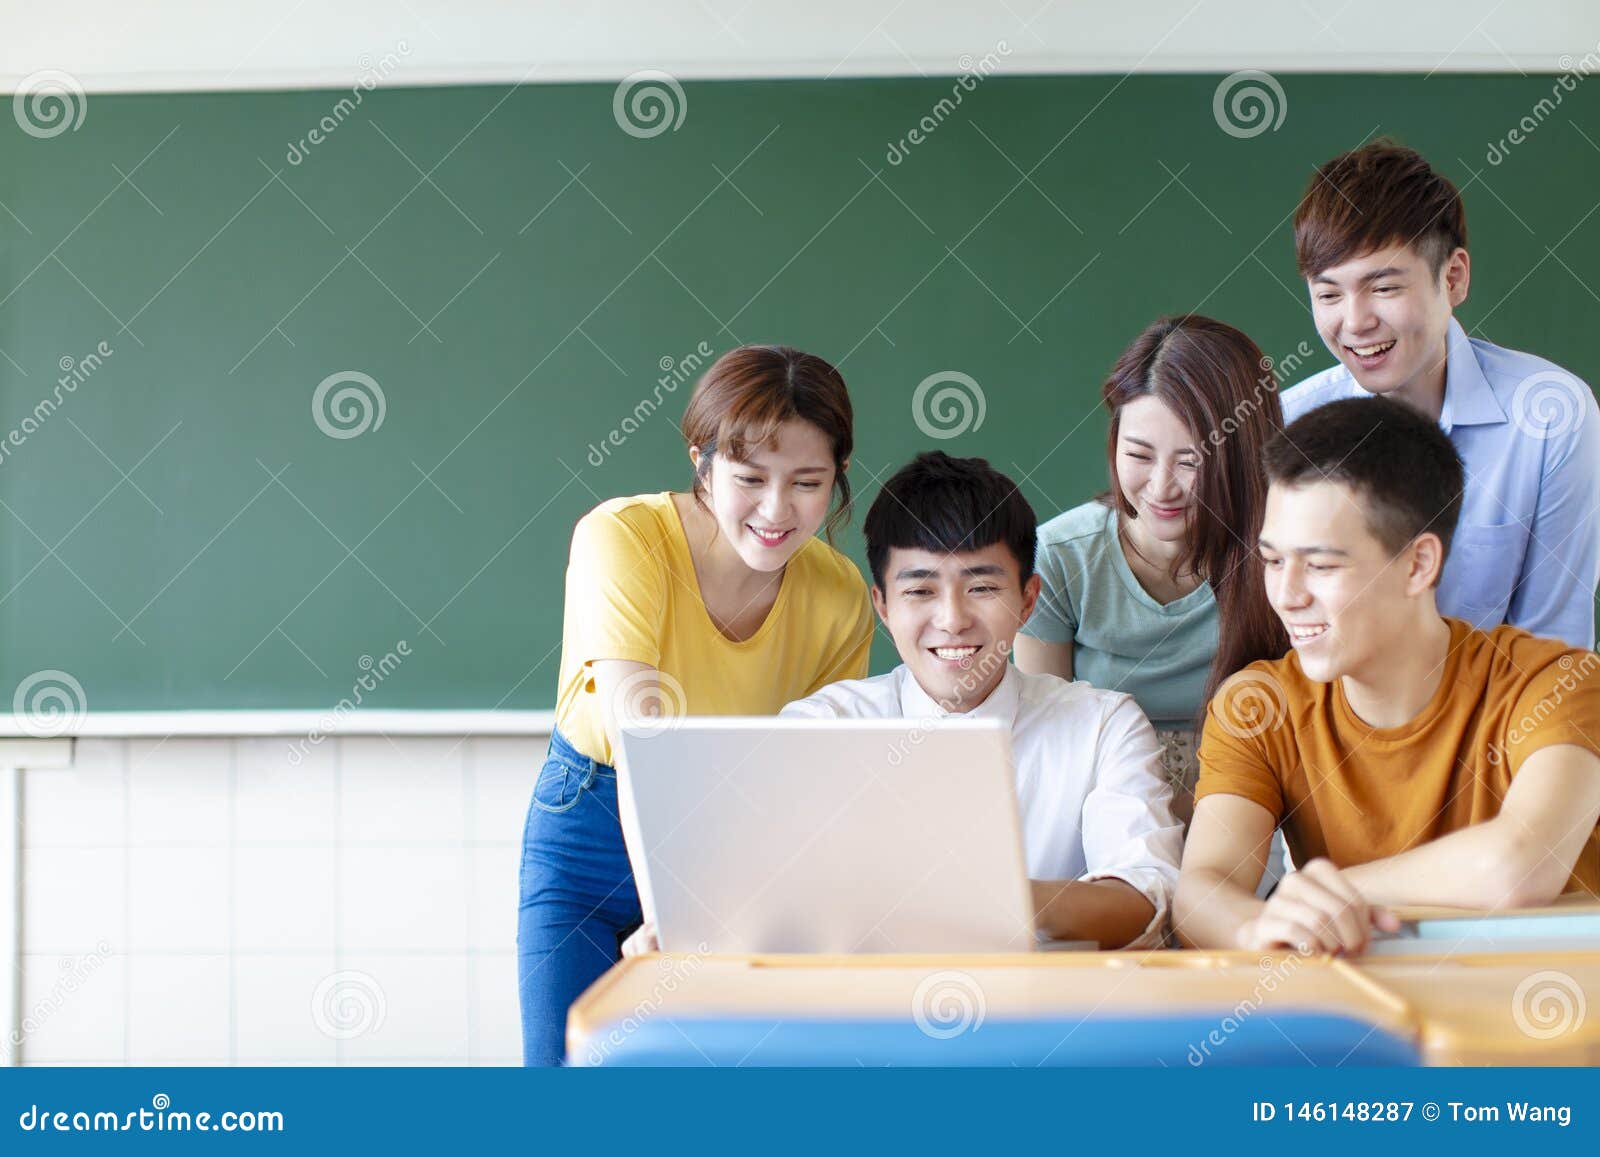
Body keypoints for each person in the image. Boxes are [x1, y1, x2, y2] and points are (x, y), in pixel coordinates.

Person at [518, 345, 874, 1065]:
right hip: (595, 821)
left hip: (735, 837)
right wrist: (669, 913)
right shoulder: (623, 538)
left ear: (838, 475)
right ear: (700, 459)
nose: (778, 511)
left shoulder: (839, 595)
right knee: (563, 1085)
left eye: (808, 482)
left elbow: (806, 779)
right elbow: (641, 737)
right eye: (750, 478)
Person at [1174, 397, 1600, 954]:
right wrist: (1257, 927)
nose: (1287, 595)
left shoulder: (1557, 683)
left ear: (1419, 564)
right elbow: (1202, 892)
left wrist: (1313, 893)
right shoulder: (1258, 704)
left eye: (1322, 565)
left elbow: (1519, 865)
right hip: (1370, 1022)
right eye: (1274, 561)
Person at [783, 451, 1184, 949]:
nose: (952, 619)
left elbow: (1146, 898)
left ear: (1028, 599)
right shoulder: (821, 728)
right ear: (882, 606)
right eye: (920, 591)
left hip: (1046, 1015)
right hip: (867, 1011)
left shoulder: (1102, 725)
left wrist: (996, 894)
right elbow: (764, 896)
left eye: (981, 586)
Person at [1281, 139, 1600, 649]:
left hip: (1497, 725)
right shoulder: (1287, 426)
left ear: (1453, 278)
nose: (1356, 322)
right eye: (1329, 294)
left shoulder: (1550, 418)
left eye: (1384, 288)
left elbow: (1554, 652)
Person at [1015, 315, 1287, 824]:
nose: (1161, 488)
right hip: (1103, 815)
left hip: (1250, 811)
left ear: (1242, 454)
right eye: (1139, 454)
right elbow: (1047, 739)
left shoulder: (1284, 554)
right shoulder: (1060, 556)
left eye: (1191, 461)